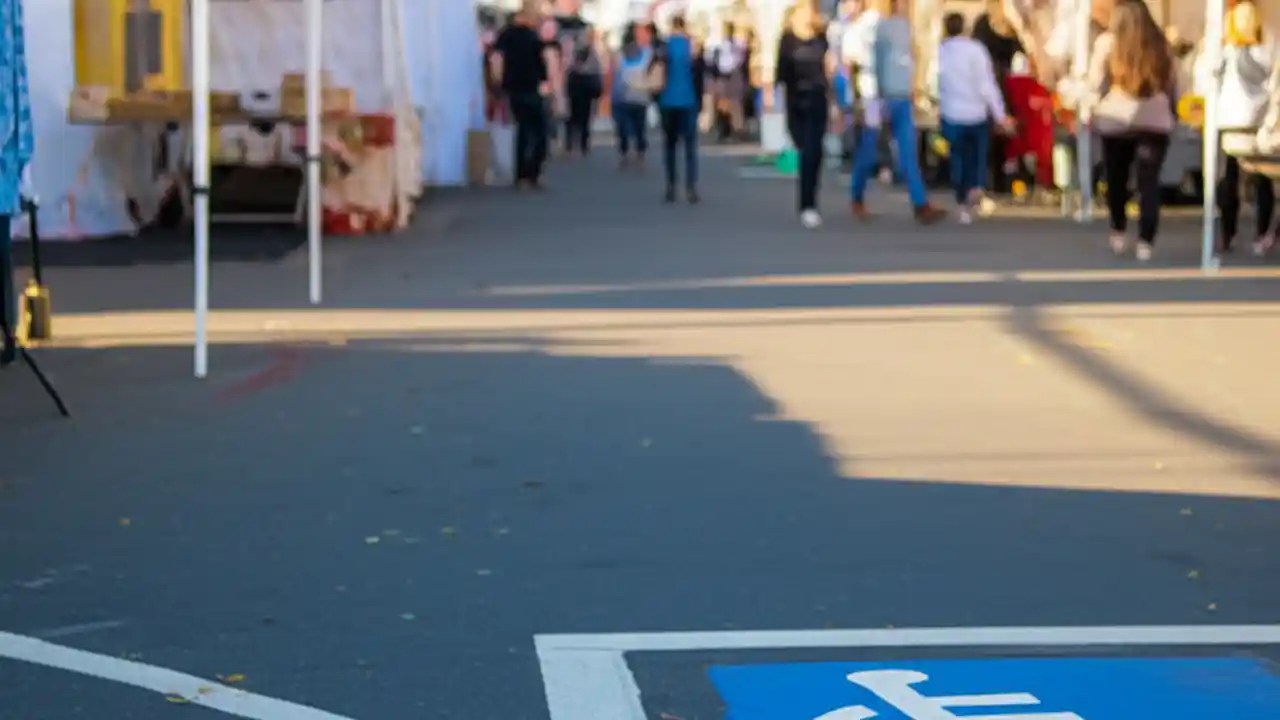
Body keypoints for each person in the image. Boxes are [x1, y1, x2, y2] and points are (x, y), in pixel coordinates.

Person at [1087, 0, 1180, 261]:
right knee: (1148, 183)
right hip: (1155, 122)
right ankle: (1146, 241)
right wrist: (1171, 113)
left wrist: (1093, 108)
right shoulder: (1162, 45)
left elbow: (1096, 84)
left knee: (1116, 179)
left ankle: (1118, 230)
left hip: (1116, 121)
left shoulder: (1107, 43)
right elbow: (1176, 84)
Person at [847, 0, 945, 224]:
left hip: (902, 96)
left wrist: (913, 88)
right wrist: (878, 95)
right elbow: (878, 62)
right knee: (869, 150)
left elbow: (909, 63)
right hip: (881, 97)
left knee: (908, 152)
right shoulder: (882, 27)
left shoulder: (907, 28)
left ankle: (920, 203)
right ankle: (857, 196)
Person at [1195, 0, 1276, 255]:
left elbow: (1202, 82)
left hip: (1228, 122)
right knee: (1264, 179)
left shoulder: (1222, 53)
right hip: (1260, 123)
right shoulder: (1269, 51)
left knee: (1227, 180)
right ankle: (1263, 233)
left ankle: (1227, 233)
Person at [935, 12, 1012, 224]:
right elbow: (987, 86)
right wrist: (1000, 114)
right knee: (977, 157)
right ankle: (976, 188)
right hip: (976, 112)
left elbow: (937, 83)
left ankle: (962, 202)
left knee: (958, 158)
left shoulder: (941, 52)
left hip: (952, 113)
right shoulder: (976, 50)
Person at [777, 0, 831, 228]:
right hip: (797, 101)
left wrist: (836, 103)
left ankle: (809, 204)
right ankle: (807, 205)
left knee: (814, 153)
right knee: (806, 152)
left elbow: (828, 70)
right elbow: (780, 74)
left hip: (818, 100)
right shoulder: (787, 41)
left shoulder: (822, 39)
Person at [493, 4, 550, 190]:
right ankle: (533, 172)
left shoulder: (505, 35)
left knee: (523, 131)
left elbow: (497, 59)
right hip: (530, 89)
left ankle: (522, 175)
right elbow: (542, 65)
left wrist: (498, 82)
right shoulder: (533, 38)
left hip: (513, 89)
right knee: (539, 131)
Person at [972, 0, 1023, 194]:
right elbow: (1020, 48)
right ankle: (1001, 177)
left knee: (988, 131)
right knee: (1003, 131)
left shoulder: (983, 23)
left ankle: (988, 177)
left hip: (989, 80)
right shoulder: (1010, 24)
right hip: (1006, 82)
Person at [656, 14, 704, 204]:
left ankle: (670, 186)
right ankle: (691, 187)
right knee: (690, 147)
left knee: (670, 145)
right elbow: (701, 75)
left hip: (667, 101)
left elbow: (656, 73)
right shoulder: (693, 46)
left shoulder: (663, 46)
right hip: (689, 100)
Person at [612, 23, 653, 168]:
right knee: (634, 126)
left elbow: (618, 73)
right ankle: (633, 154)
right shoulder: (630, 53)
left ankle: (633, 154)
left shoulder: (646, 52)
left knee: (634, 127)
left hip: (631, 95)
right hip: (631, 95)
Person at [565, 27, 604, 156]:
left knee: (575, 116)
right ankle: (581, 143)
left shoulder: (582, 49)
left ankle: (573, 143)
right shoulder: (591, 50)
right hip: (583, 85)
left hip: (578, 84)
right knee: (582, 116)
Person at [706, 22, 747, 142]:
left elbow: (740, 59)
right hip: (722, 76)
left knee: (735, 105)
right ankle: (724, 130)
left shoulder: (737, 44)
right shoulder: (717, 45)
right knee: (723, 105)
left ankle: (737, 130)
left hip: (733, 76)